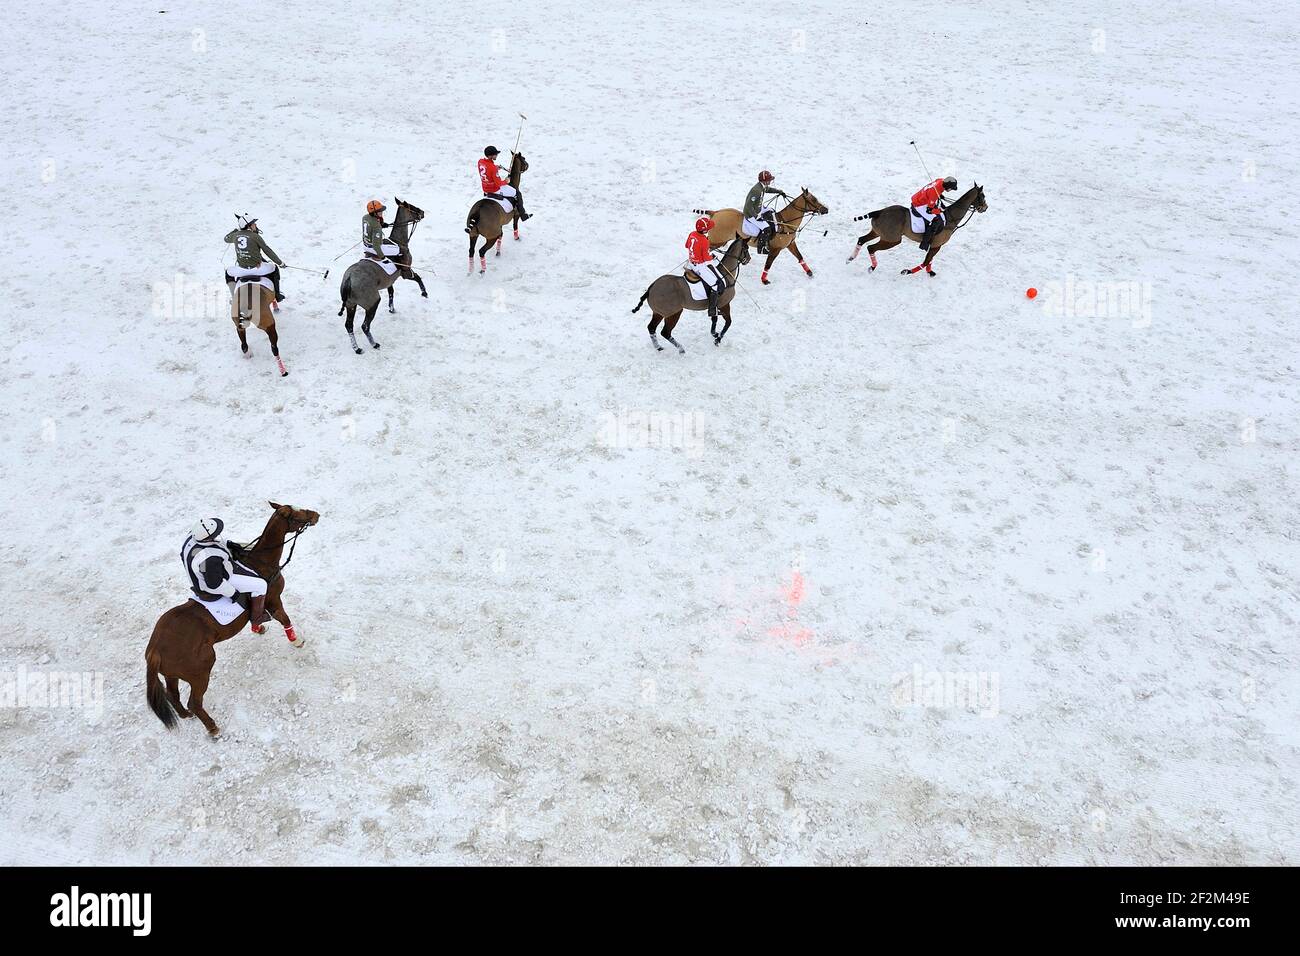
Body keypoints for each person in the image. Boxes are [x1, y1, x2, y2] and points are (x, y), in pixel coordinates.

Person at [182, 518, 270, 633]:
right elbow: (215, 584)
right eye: (215, 533)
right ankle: (257, 619)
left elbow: (211, 544)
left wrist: (228, 544)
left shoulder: (191, 538)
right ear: (208, 537)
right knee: (261, 585)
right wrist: (234, 594)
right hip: (211, 586)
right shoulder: (210, 559)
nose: (218, 534)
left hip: (197, 572)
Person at [224, 219, 286, 302]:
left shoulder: (235, 235)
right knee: (274, 268)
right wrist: (280, 263)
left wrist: (236, 230)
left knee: (228, 272)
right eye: (253, 223)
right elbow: (267, 250)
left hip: (241, 270)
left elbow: (226, 239)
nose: (255, 224)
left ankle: (234, 297)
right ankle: (277, 295)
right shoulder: (255, 236)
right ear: (248, 226)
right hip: (257, 269)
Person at [477, 146, 531, 221]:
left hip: (485, 188)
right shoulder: (492, 168)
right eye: (495, 154)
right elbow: (499, 183)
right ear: (491, 156)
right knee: (517, 193)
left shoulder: (480, 162)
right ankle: (523, 214)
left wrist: (496, 167)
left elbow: (487, 168)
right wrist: (506, 181)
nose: (497, 155)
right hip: (494, 189)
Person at [686, 216, 723, 319]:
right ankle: (712, 310)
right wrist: (712, 256)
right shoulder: (704, 240)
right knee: (715, 285)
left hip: (690, 262)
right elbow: (706, 258)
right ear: (705, 230)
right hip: (700, 266)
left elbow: (686, 245)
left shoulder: (692, 234)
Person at [743, 170, 788, 254]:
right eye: (769, 180)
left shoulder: (762, 186)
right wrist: (756, 216)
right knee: (766, 228)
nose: (770, 181)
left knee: (771, 212)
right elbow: (749, 206)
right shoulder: (756, 190)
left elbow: (768, 189)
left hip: (759, 208)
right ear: (765, 181)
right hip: (751, 214)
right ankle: (762, 248)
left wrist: (779, 191)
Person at [911, 176, 957, 251]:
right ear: (947, 186)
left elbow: (936, 188)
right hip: (919, 204)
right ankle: (925, 243)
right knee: (935, 220)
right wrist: (940, 211)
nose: (951, 190)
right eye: (951, 188)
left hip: (921, 197)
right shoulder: (934, 193)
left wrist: (940, 195)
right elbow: (929, 210)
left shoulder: (941, 180)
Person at [362, 200, 401, 269]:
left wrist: (382, 225)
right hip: (374, 248)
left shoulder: (365, 217)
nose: (382, 212)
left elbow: (371, 225)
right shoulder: (377, 226)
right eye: (380, 211)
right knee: (399, 250)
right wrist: (383, 258)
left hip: (365, 245)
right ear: (374, 213)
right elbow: (376, 246)